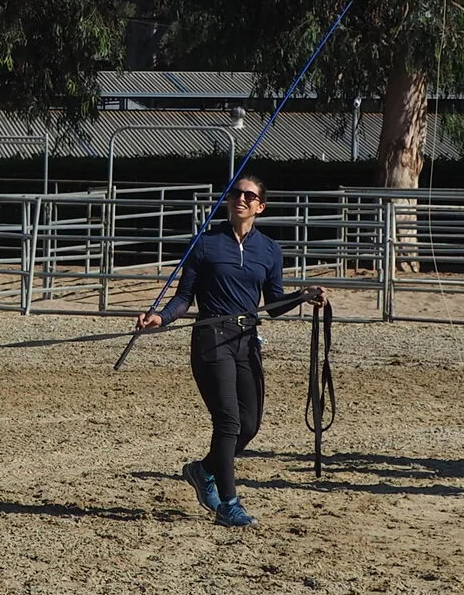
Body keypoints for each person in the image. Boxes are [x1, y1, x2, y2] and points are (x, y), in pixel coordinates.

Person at [134, 178, 323, 528]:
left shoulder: (269, 250)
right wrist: (160, 317)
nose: (241, 198)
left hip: (247, 340)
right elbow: (183, 297)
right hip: (211, 337)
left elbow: (275, 303)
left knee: (249, 426)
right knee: (228, 422)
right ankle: (228, 504)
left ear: (260, 207)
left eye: (249, 196)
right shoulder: (205, 243)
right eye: (236, 193)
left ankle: (203, 470)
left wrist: (304, 295)